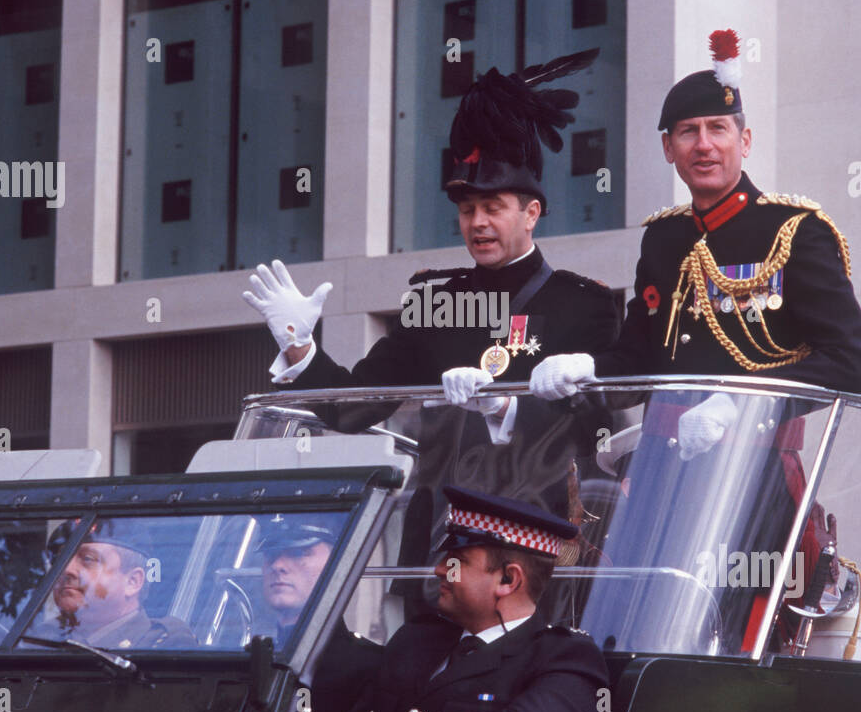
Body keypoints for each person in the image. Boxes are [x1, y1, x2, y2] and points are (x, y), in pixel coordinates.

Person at [529, 29, 861, 650]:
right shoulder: (663, 239)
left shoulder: (796, 231)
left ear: (746, 139)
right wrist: (587, 366)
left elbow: (849, 362)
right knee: (624, 631)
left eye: (718, 128)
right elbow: (639, 355)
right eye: (688, 132)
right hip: (661, 474)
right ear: (667, 148)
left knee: (737, 643)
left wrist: (742, 401)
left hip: (756, 469)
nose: (704, 145)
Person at [243, 51, 621, 600]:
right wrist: (300, 347)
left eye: (493, 207)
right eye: (467, 211)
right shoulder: (433, 299)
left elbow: (597, 426)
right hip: (440, 552)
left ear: (532, 212)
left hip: (539, 548)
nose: (478, 223)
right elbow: (357, 406)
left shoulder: (582, 304)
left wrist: (508, 406)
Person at [343, 485, 609, 712]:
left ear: (508, 580)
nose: (440, 570)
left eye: (458, 561)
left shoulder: (565, 659)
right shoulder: (415, 640)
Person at [256, 514, 383, 712]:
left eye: (299, 553)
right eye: (271, 554)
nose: (278, 565)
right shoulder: (247, 659)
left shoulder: (369, 668)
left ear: (335, 564)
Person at [34, 520, 195, 650]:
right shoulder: (38, 640)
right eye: (60, 560)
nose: (66, 570)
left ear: (133, 582)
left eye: (88, 559)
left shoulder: (163, 645)